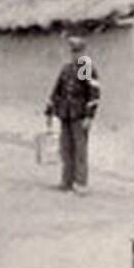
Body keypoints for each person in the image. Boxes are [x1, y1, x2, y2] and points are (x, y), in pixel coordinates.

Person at [43, 34, 100, 194]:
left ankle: (80, 183)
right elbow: (57, 91)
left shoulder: (86, 68)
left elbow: (94, 94)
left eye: (78, 51)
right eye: (73, 51)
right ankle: (66, 181)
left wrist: (89, 116)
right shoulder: (66, 69)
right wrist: (49, 111)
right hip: (66, 114)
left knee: (80, 150)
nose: (75, 54)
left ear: (83, 52)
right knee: (66, 148)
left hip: (79, 115)